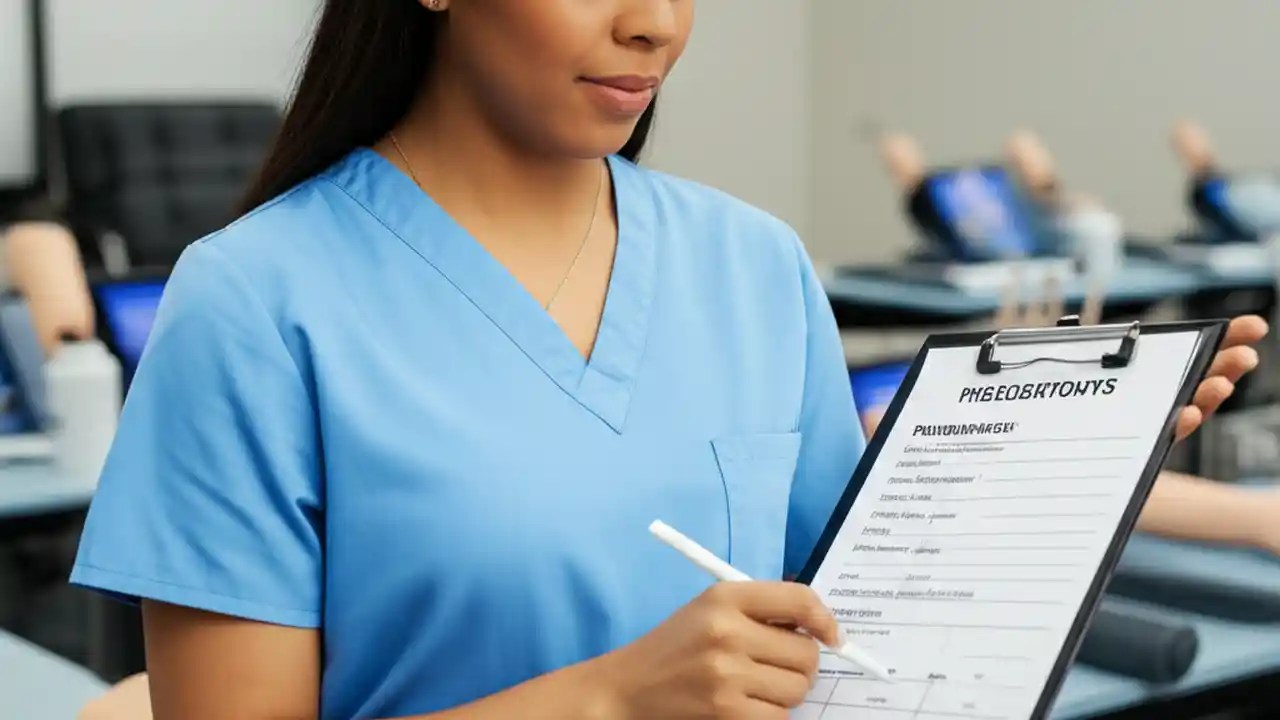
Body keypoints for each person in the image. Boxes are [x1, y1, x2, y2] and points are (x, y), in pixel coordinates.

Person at [70, 2, 1264, 719]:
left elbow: (835, 631)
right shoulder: (256, 301)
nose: (656, 21)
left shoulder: (753, 262)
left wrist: (1046, 480)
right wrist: (607, 699)